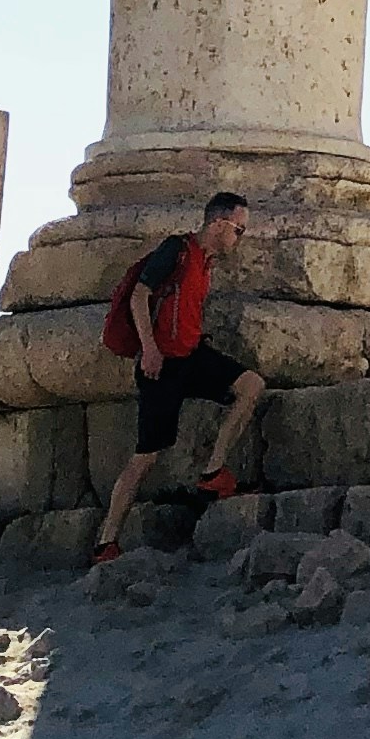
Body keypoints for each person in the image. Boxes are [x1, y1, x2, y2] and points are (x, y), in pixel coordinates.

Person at [90, 190, 265, 560]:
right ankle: (106, 542)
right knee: (145, 456)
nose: (240, 238)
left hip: (191, 356)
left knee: (251, 385)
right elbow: (140, 296)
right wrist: (149, 350)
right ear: (218, 223)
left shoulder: (206, 261)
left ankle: (213, 471)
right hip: (162, 365)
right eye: (239, 230)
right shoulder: (177, 250)